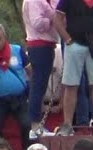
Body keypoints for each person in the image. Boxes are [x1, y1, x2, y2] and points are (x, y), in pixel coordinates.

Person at [53, 0, 93, 137]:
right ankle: (67, 125)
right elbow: (57, 19)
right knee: (71, 84)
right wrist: (67, 39)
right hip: (74, 44)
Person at [21, 0, 58, 140]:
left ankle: (39, 123)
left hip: (48, 44)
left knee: (41, 85)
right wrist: (52, 18)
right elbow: (38, 23)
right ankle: (35, 125)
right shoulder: (33, 1)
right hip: (38, 44)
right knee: (38, 84)